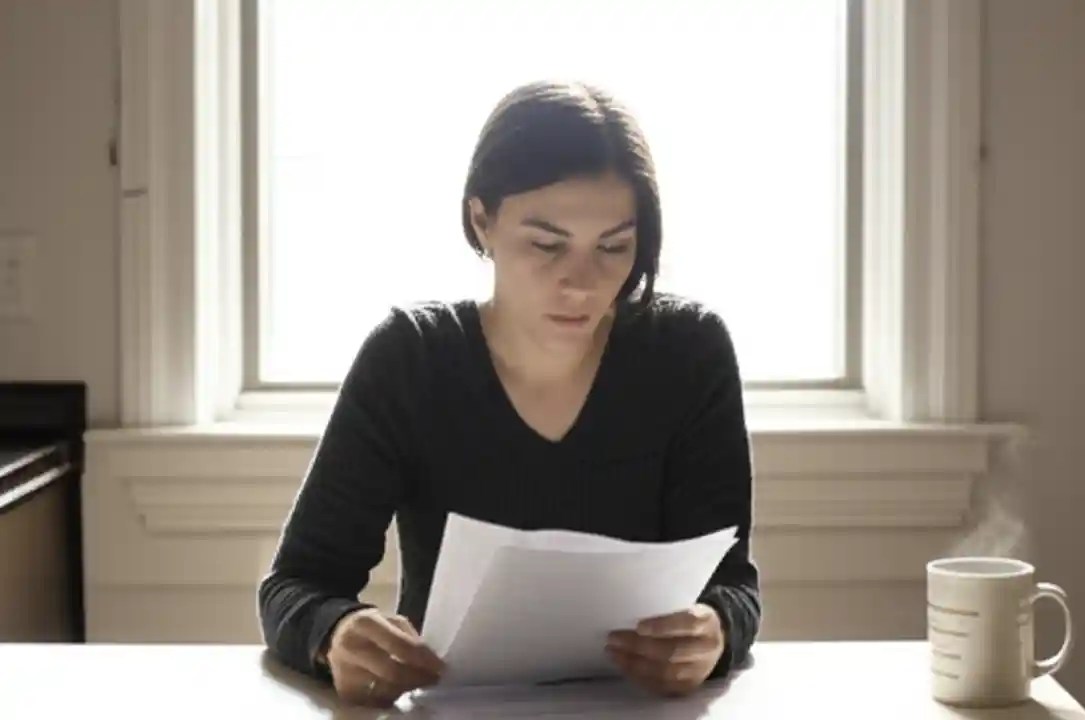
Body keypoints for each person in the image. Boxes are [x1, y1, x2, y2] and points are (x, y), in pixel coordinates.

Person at [257, 80, 761, 708]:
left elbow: (734, 588)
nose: (581, 283)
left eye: (614, 247)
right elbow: (296, 585)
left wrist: (713, 632)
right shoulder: (411, 360)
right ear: (482, 220)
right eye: (546, 245)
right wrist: (336, 634)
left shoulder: (688, 353)